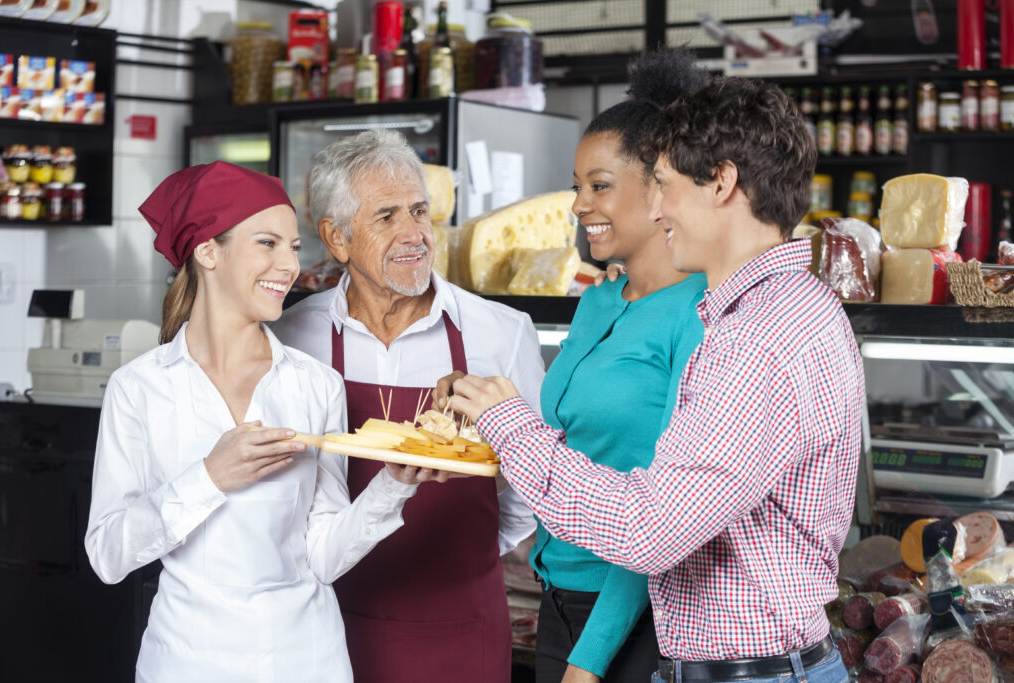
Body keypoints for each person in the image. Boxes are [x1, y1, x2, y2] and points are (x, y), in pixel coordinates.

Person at [451, 77, 863, 683]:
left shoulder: (756, 340)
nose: (657, 208)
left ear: (721, 183)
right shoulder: (789, 306)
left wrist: (512, 429)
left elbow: (650, 532)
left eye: (665, 186)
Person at [84, 161, 439, 683]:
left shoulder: (315, 384)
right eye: (267, 244)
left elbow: (322, 558)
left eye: (293, 248)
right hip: (186, 660)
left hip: (306, 659)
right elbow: (108, 555)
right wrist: (209, 477)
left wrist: (393, 485)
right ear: (208, 251)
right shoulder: (140, 388)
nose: (288, 265)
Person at [271, 129, 542, 683]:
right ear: (336, 237)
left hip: (461, 618)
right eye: (387, 216)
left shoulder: (501, 331)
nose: (414, 233)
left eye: (420, 211)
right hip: (330, 617)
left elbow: (536, 480)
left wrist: (470, 554)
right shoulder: (296, 335)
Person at [529, 48, 708, 683]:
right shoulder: (598, 299)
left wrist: (590, 658)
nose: (579, 205)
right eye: (578, 186)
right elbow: (572, 439)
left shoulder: (701, 314)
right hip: (557, 601)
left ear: (660, 185)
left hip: (635, 624)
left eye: (599, 185)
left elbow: (665, 512)